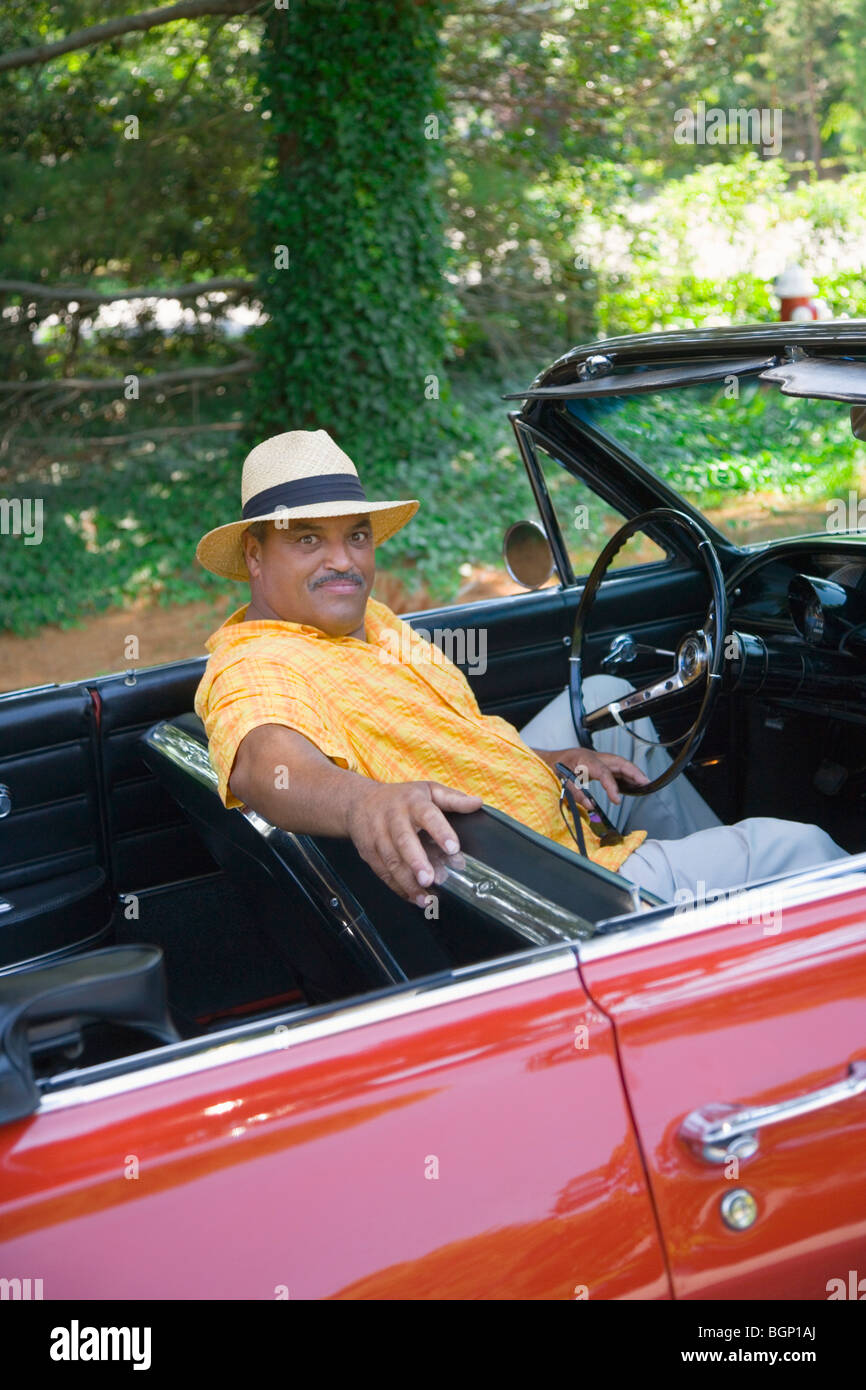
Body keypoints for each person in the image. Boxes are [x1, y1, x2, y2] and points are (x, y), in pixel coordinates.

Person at [194, 429, 847, 906]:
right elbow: (263, 768)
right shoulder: (259, 662)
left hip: (508, 820)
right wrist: (367, 802)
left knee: (605, 697)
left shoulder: (365, 622)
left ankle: (705, 894)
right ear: (254, 555)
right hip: (541, 882)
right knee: (802, 848)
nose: (345, 562)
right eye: (308, 539)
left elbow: (463, 741)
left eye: (356, 536)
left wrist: (547, 764)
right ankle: (688, 885)